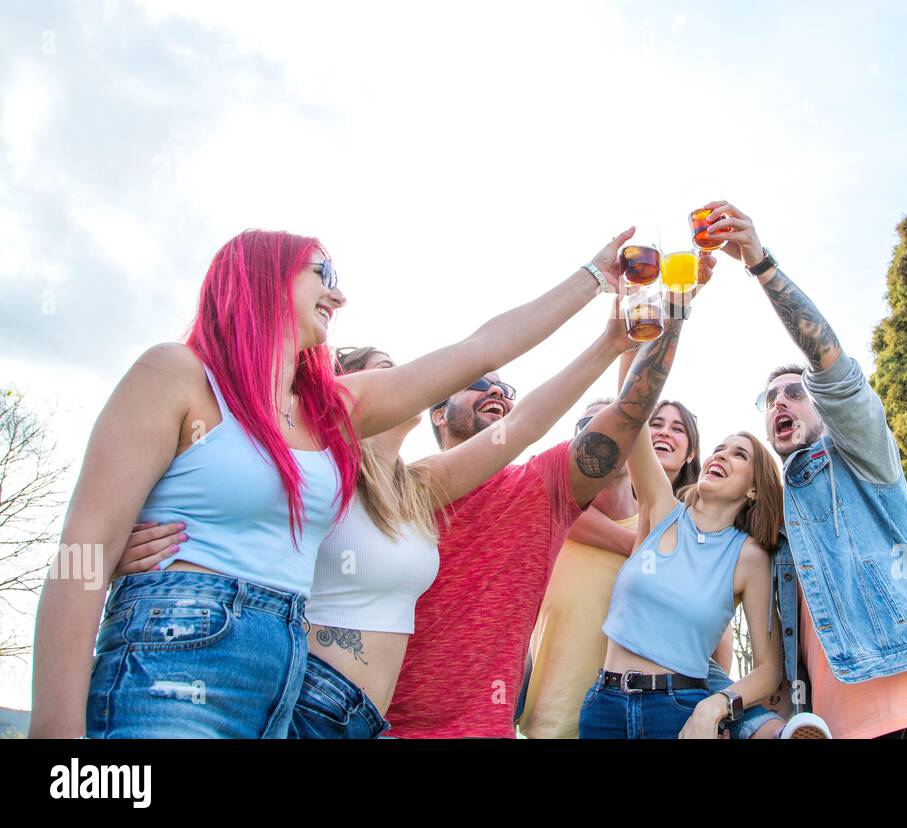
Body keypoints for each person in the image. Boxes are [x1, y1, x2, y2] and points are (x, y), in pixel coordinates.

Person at [28, 227, 632, 738]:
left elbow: (480, 349)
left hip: (283, 673)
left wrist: (593, 278)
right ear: (264, 276)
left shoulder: (330, 413)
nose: (338, 294)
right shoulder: (178, 374)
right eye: (321, 274)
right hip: (176, 653)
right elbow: (80, 552)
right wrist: (54, 738)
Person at [384, 258, 714, 738]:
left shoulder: (538, 488)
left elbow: (628, 414)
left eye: (506, 388)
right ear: (436, 411)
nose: (497, 390)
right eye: (480, 384)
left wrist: (676, 306)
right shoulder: (390, 489)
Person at [702, 201, 907, 739]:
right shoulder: (776, 527)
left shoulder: (862, 456)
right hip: (826, 728)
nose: (781, 403)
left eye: (796, 394)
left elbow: (831, 364)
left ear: (824, 408)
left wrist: (760, 263)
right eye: (770, 397)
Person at [578, 405, 785, 739]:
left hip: (679, 713)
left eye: (738, 454)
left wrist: (715, 706)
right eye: (719, 449)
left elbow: (769, 669)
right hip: (603, 706)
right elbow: (633, 410)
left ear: (754, 489)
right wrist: (644, 348)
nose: (722, 456)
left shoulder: (749, 557)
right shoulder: (662, 508)